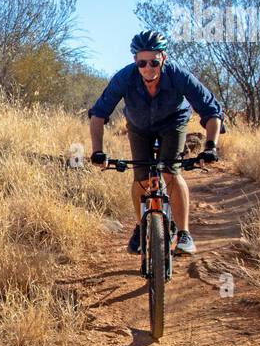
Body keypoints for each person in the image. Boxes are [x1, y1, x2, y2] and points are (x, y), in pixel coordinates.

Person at [87, 31, 224, 255]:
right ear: (135, 62)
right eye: (142, 63)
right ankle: (141, 227)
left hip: (173, 124)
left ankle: (184, 234)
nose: (148, 68)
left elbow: (211, 111)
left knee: (170, 172)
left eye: (154, 62)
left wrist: (210, 147)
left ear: (164, 58)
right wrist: (97, 151)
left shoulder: (179, 76)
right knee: (140, 177)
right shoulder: (125, 77)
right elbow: (98, 115)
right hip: (139, 126)